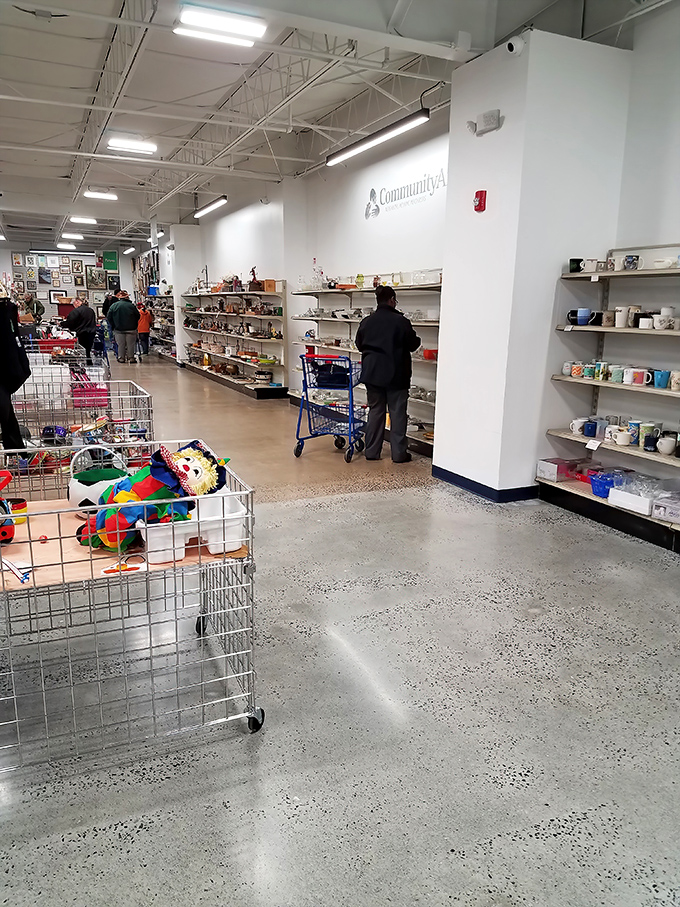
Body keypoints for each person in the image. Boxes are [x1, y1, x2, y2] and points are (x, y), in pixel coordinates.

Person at [355, 285, 420, 463]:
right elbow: (413, 344)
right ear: (392, 300)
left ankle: (371, 451)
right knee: (397, 413)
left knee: (376, 411)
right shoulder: (401, 321)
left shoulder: (367, 322)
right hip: (396, 374)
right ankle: (399, 454)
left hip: (373, 374)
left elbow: (359, 345)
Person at [0, 286, 30, 450]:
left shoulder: (8, 312)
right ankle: (15, 448)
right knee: (4, 407)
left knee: (4, 407)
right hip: (8, 371)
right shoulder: (8, 312)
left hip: (7, 371)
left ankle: (14, 448)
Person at [62, 297, 97, 364]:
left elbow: (70, 322)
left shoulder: (76, 311)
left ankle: (82, 365)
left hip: (81, 334)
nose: (73, 305)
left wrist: (61, 324)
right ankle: (89, 363)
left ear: (77, 302)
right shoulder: (91, 310)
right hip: (91, 332)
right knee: (88, 350)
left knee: (81, 351)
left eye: (74, 303)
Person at [107, 290, 140, 363]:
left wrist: (114, 324)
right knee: (130, 344)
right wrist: (134, 323)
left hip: (118, 329)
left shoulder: (114, 306)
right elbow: (138, 316)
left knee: (121, 344)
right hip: (131, 328)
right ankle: (131, 358)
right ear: (127, 297)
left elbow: (109, 317)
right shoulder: (131, 306)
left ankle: (121, 358)